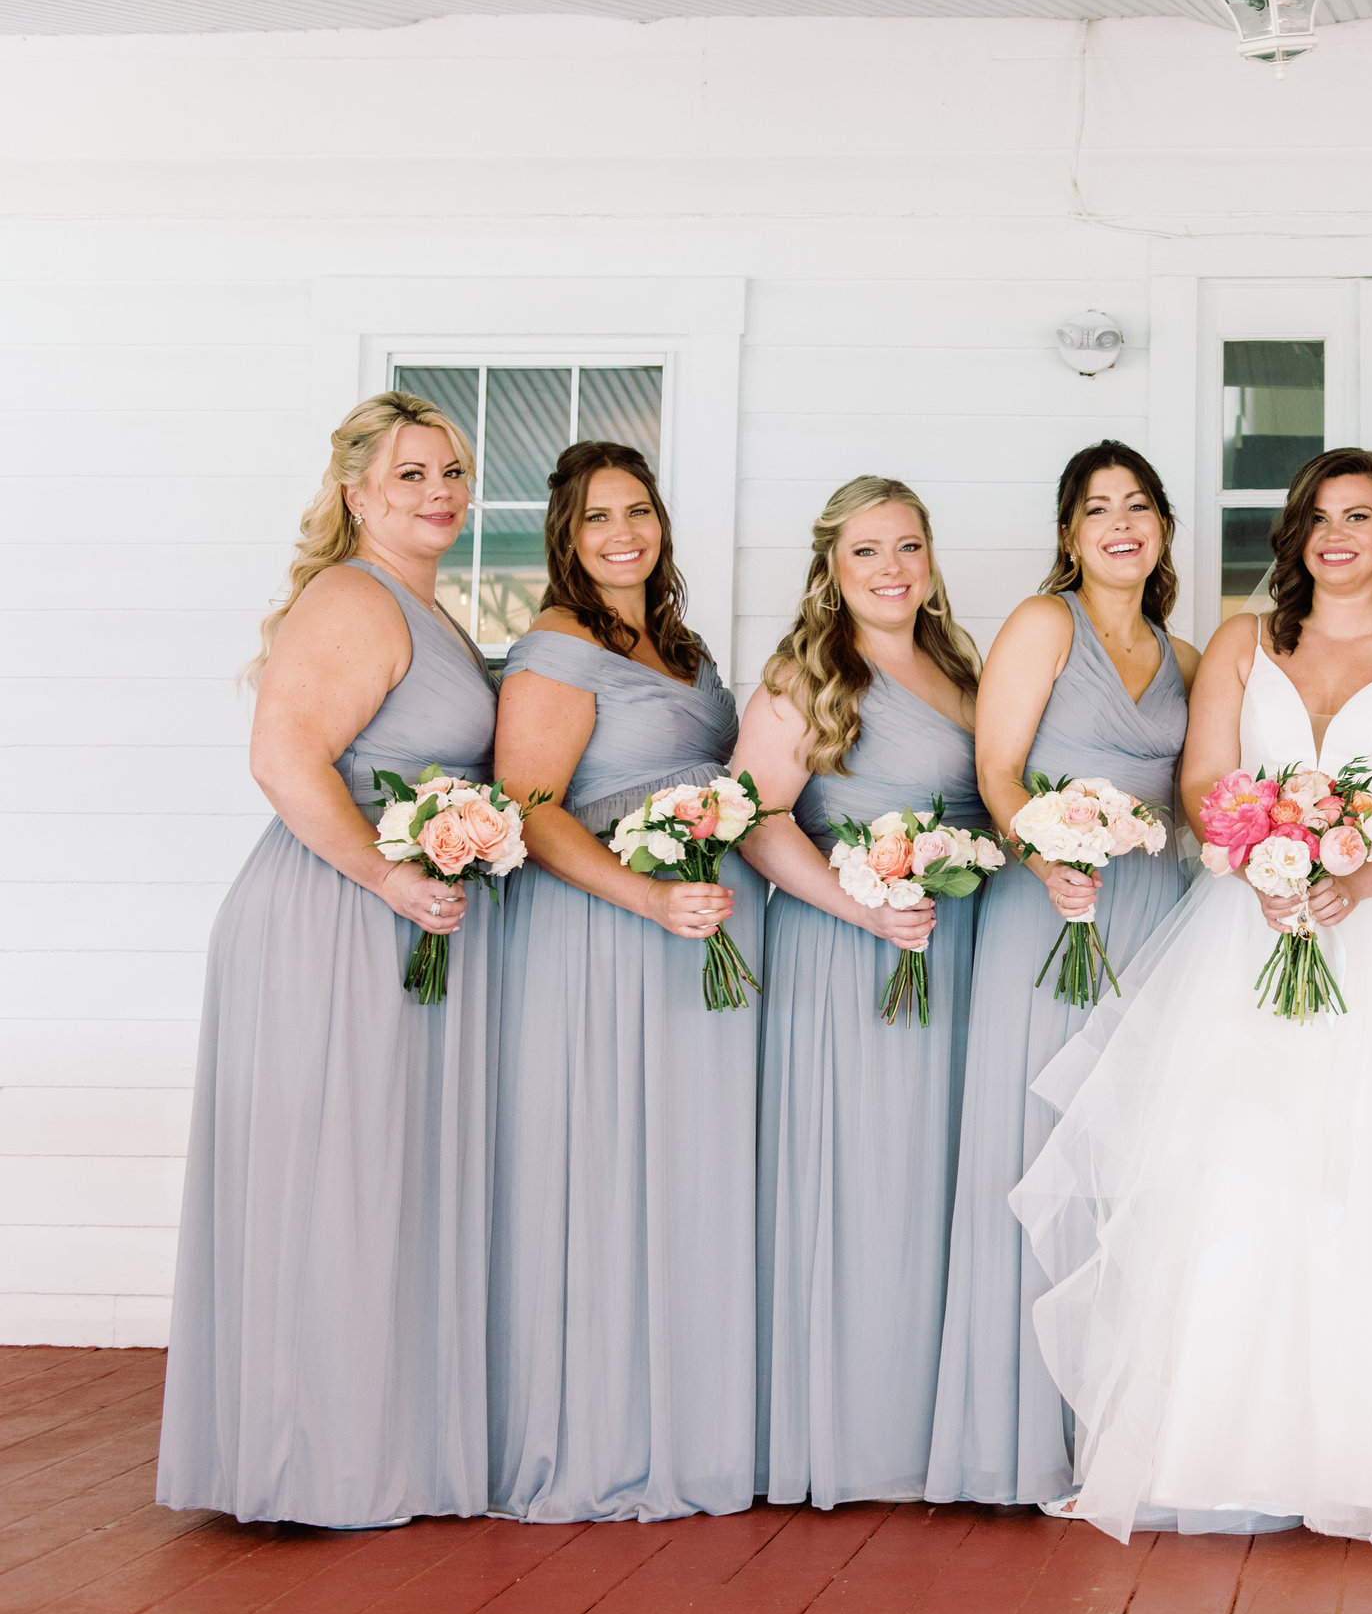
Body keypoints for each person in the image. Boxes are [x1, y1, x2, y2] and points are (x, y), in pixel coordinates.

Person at [1008, 447, 1372, 1560]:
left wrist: (1352, 876)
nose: (1338, 536)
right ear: (1295, 533)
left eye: (1360, 516)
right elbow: (1201, 782)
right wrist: (1262, 863)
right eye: (1319, 516)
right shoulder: (1239, 641)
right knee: (1236, 1172)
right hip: (1244, 930)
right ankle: (1219, 1451)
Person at [160, 391, 498, 1527]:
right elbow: (283, 755)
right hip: (330, 912)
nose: (440, 490)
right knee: (329, 1176)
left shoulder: (426, 604)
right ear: (354, 492)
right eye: (411, 473)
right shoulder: (352, 597)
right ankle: (306, 1460)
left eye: (451, 469)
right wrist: (391, 876)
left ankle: (368, 1437)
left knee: (374, 1176)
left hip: (383, 910)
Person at [925, 441, 1199, 1506]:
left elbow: (1188, 794)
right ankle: (1017, 1435)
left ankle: (1116, 1432)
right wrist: (1045, 855)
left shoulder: (1182, 655)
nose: (1120, 523)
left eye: (1138, 505)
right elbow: (996, 769)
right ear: (1068, 533)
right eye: (1098, 508)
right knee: (1041, 1145)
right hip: (1050, 909)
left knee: (1133, 1158)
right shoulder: (1046, 624)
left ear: (1163, 525)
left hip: (1151, 917)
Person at [487, 441, 756, 1521]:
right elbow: (532, 805)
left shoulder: (681, 645)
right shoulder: (556, 644)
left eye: (638, 511)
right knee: (609, 1167)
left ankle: (692, 1416)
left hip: (703, 928)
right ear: (566, 532)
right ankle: (602, 1424)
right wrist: (647, 900)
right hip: (607, 934)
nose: (621, 534)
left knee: (690, 1166)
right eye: (597, 517)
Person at [738, 476, 989, 1507]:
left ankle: (939, 1420)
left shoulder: (957, 665)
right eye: (866, 551)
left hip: (955, 939)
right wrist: (865, 910)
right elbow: (756, 821)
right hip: (856, 952)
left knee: (937, 1178)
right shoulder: (809, 672)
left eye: (907, 546)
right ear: (831, 568)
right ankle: (859, 1431)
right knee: (868, 1175)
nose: (891, 569)